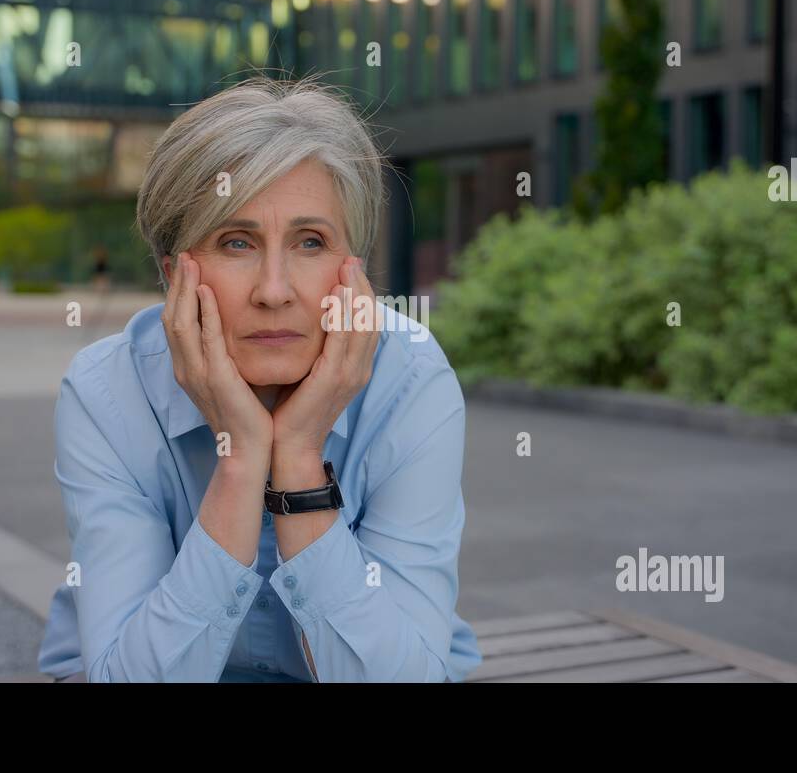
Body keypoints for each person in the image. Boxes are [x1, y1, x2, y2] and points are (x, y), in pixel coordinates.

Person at [36, 77, 482, 683]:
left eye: (310, 241)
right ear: (174, 276)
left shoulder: (411, 382)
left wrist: (298, 460)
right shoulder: (107, 392)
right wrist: (241, 458)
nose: (274, 292)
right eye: (236, 241)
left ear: (354, 272)